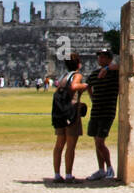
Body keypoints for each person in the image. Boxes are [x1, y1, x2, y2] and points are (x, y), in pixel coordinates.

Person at [50, 53, 86, 183]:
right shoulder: (77, 75)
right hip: (71, 114)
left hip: (60, 113)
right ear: (78, 64)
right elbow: (74, 86)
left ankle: (56, 174)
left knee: (59, 144)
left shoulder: (63, 76)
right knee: (70, 146)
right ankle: (69, 174)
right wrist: (86, 86)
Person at [84, 49, 119, 180]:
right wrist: (92, 98)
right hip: (96, 111)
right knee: (96, 142)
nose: (100, 59)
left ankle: (109, 167)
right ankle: (101, 169)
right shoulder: (94, 74)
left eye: (103, 57)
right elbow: (88, 86)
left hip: (107, 111)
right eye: (99, 57)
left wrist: (108, 68)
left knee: (100, 142)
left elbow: (124, 65)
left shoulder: (114, 73)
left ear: (109, 59)